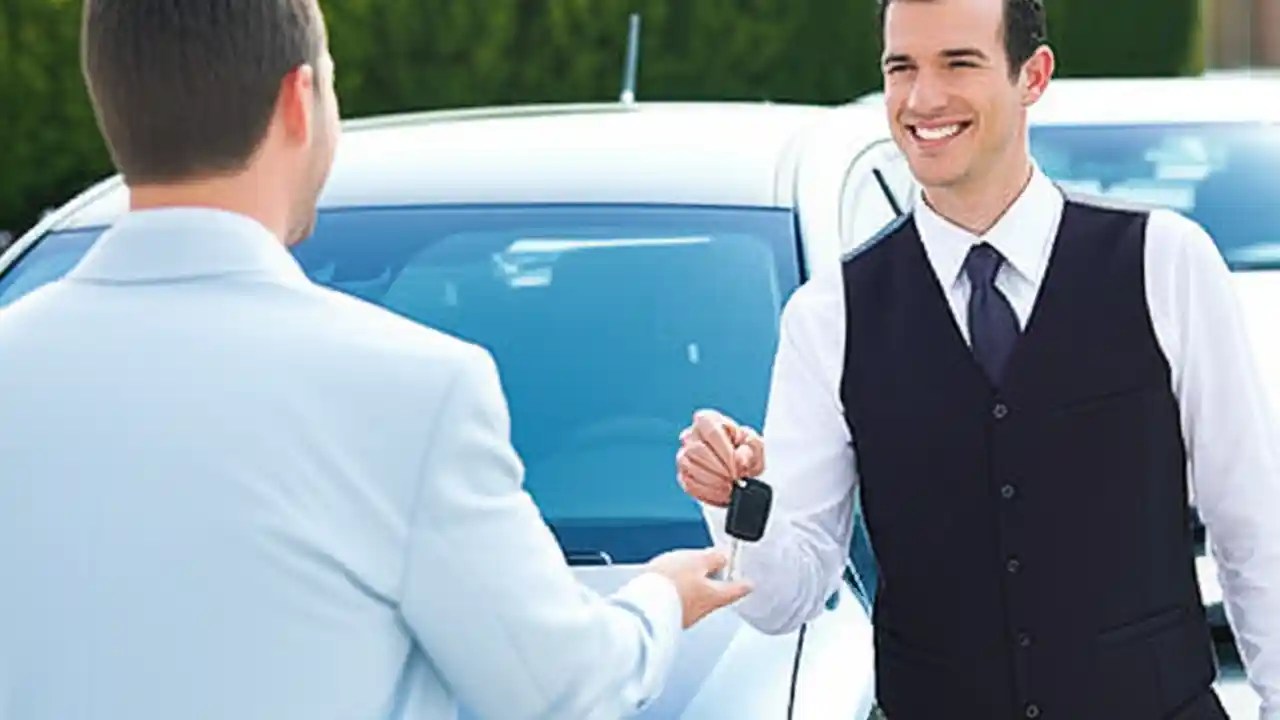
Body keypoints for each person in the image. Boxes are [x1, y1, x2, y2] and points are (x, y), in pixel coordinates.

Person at [0, 2, 750, 719]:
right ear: (299, 101)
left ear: (109, 102)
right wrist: (660, 598)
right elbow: (560, 691)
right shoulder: (413, 388)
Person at [676, 0, 1280, 718]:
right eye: (902, 68)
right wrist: (736, 504)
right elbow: (787, 599)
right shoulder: (830, 315)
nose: (922, 98)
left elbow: (1254, 527)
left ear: (1034, 76)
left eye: (958, 63)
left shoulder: (1165, 264)